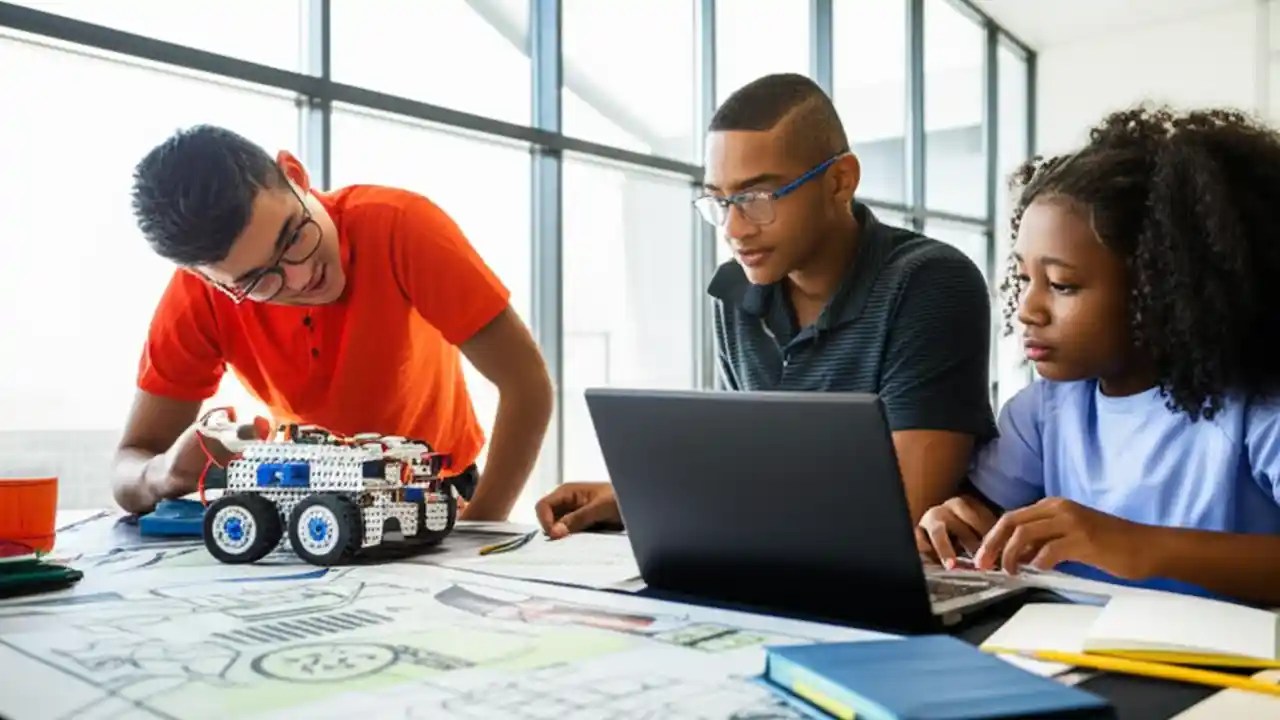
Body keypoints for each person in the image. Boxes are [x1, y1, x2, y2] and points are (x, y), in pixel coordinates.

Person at [537, 73, 996, 538]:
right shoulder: (735, 295)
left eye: (756, 198)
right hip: (782, 567)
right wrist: (636, 496)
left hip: (913, 589)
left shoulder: (930, 283)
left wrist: (688, 497)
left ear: (840, 181)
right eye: (719, 200)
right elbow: (747, 470)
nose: (734, 229)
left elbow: (895, 511)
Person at [917, 106, 1280, 606]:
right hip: (1067, 658)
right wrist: (948, 523)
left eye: (1062, 285)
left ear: (1163, 288)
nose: (1027, 309)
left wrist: (1136, 545)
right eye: (1024, 278)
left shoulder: (1257, 408)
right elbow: (980, 520)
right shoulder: (1044, 411)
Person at [112, 125, 553, 521]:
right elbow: (129, 465)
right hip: (304, 503)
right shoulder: (197, 297)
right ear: (209, 280)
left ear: (296, 176)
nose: (301, 277)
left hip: (436, 492)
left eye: (294, 235)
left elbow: (527, 383)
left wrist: (480, 526)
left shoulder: (400, 226)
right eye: (259, 280)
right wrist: (164, 473)